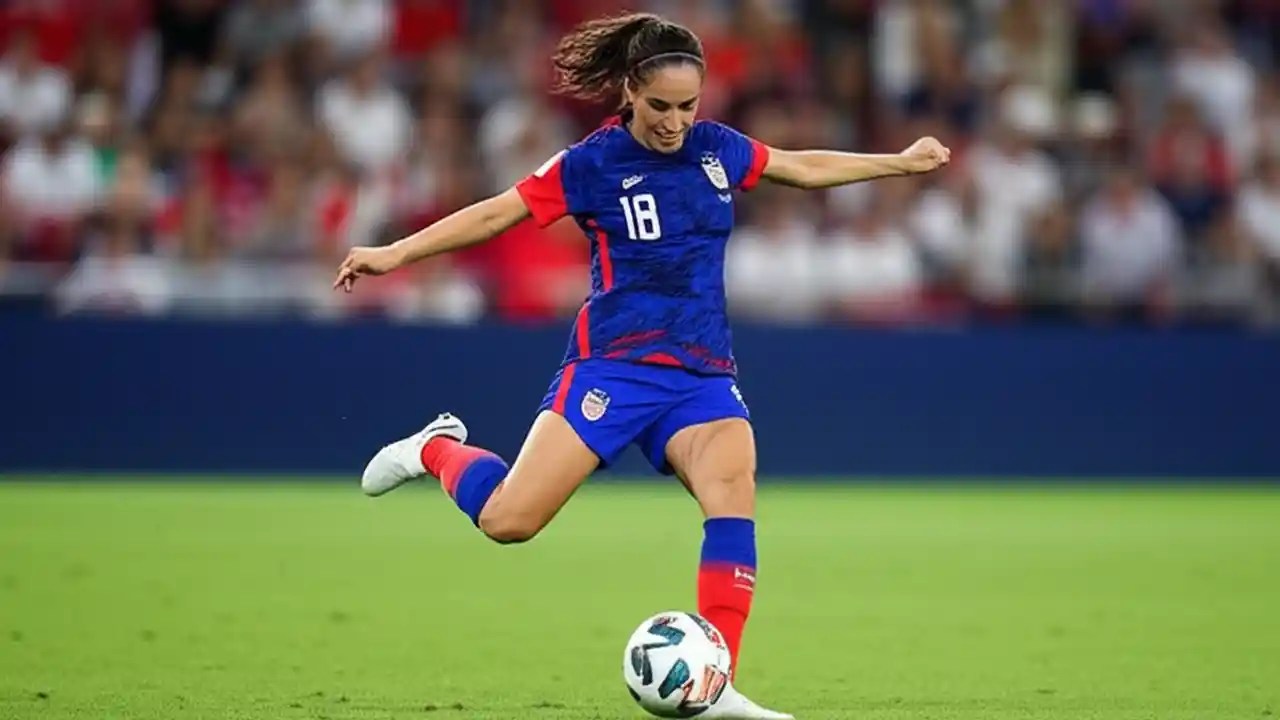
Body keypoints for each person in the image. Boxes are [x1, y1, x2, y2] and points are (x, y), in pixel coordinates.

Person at [334, 13, 949, 719]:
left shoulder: (717, 149)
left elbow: (800, 167)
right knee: (510, 520)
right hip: (612, 370)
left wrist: (899, 162)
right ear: (629, 91)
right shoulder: (590, 164)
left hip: (701, 376)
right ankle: (435, 449)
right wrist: (395, 253)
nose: (675, 122)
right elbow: (494, 216)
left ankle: (715, 686)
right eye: (661, 106)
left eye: (689, 106)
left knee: (733, 489)